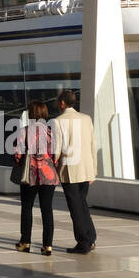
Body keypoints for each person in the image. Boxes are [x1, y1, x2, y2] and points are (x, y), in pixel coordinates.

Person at [54, 89, 98, 254]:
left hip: (69, 169)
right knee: (82, 204)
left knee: (75, 208)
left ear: (62, 103)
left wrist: (53, 167)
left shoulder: (58, 121)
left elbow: (57, 149)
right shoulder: (86, 119)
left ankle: (83, 242)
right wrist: (93, 170)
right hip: (85, 168)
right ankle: (90, 237)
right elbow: (93, 145)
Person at [14, 100, 60, 256]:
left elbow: (18, 154)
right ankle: (48, 245)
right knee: (47, 209)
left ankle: (25, 242)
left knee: (27, 208)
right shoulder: (50, 132)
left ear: (31, 114)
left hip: (30, 176)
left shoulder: (24, 131)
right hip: (48, 176)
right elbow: (55, 156)